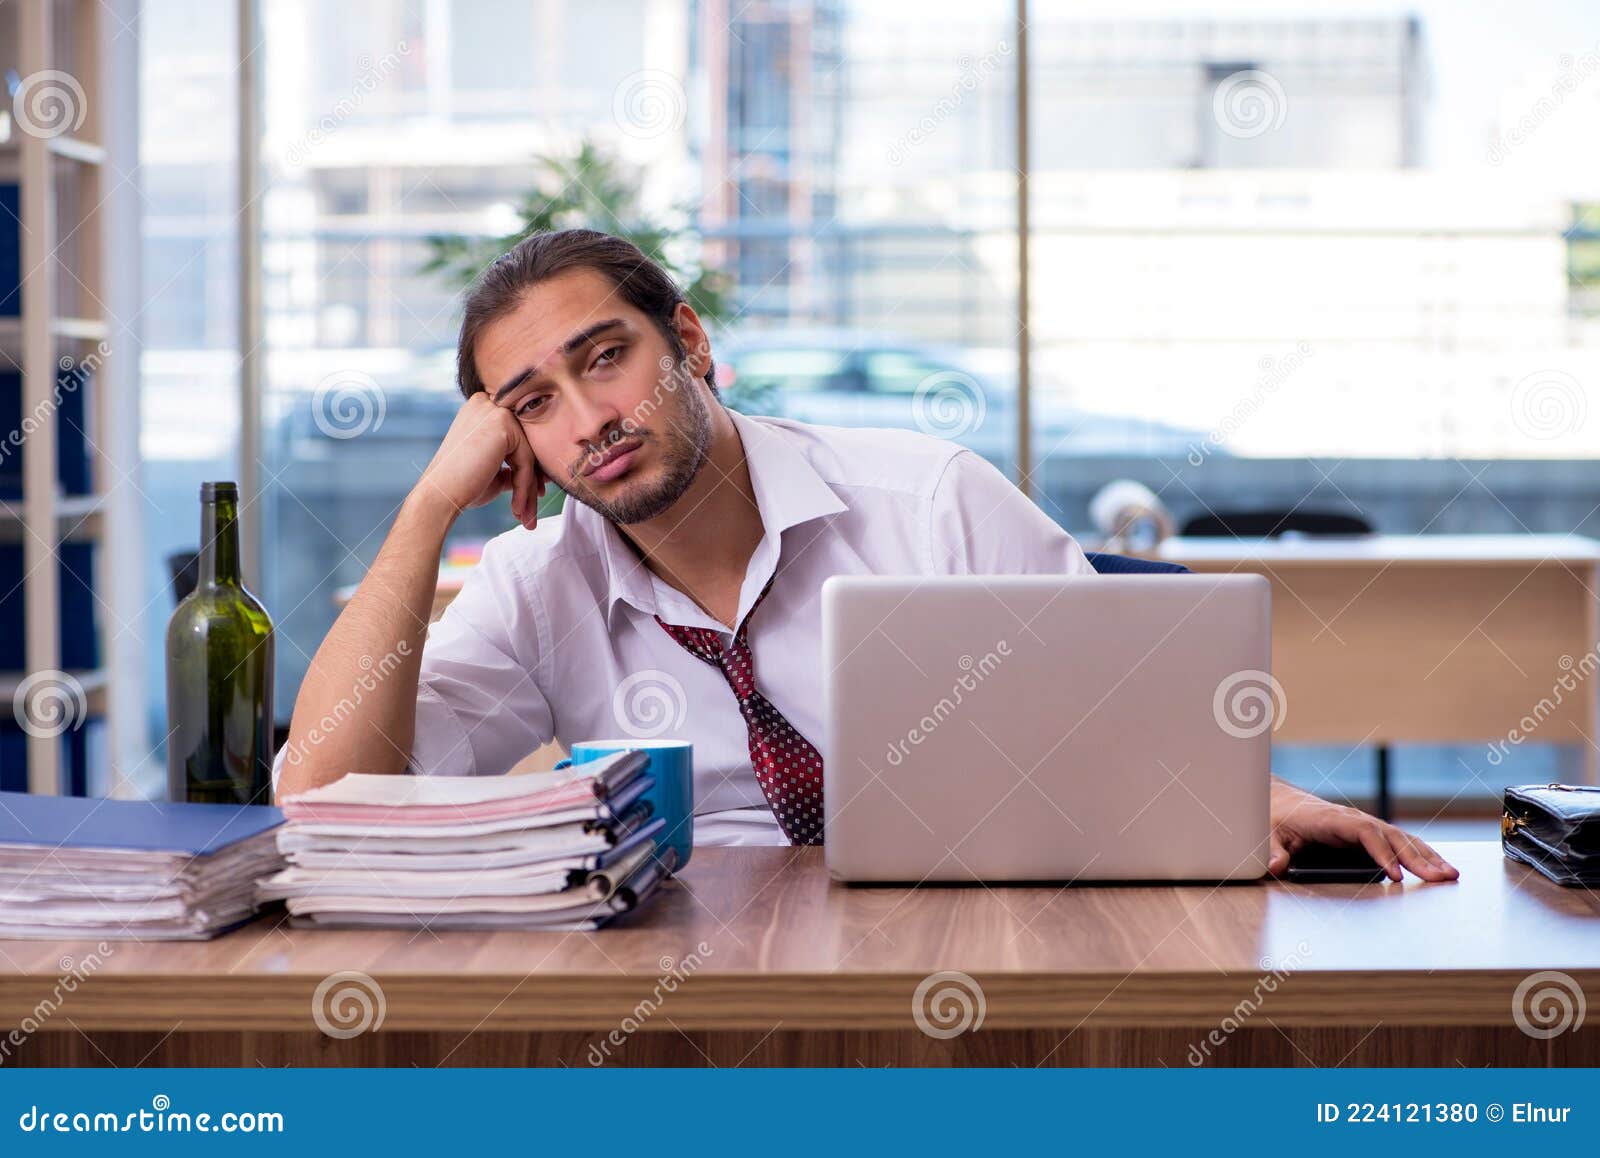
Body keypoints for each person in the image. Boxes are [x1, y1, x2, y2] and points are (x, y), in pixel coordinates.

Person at [274, 229, 1457, 881]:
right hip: (687, 988)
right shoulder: (538, 584)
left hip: (976, 939)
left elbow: (1133, 708)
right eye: (531, 403)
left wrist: (1275, 796)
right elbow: (321, 797)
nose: (588, 422)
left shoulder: (926, 499)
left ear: (688, 341)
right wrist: (428, 509)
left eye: (604, 359)